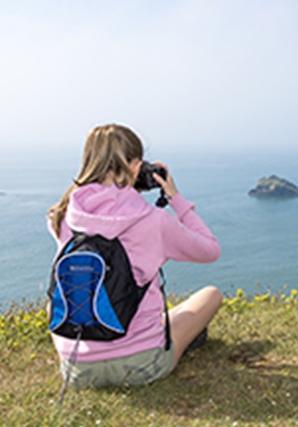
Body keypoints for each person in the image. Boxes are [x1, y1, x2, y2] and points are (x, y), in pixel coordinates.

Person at [47, 123, 221, 388]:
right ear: (137, 167)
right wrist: (175, 199)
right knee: (210, 295)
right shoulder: (153, 221)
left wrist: (124, 191)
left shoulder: (64, 215)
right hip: (140, 366)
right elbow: (210, 250)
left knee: (57, 299)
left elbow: (104, 210)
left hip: (77, 372)